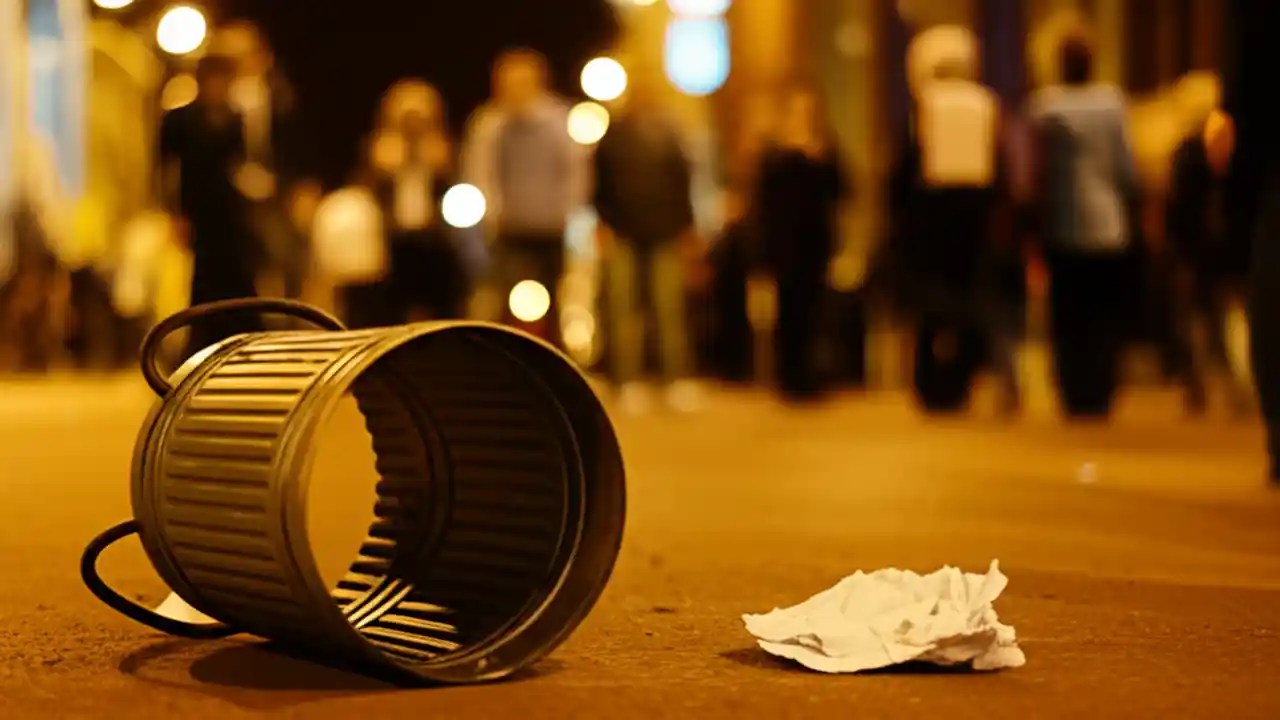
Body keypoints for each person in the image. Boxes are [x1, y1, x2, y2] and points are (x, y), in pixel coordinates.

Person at [1029, 33, 1139, 419]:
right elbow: (1127, 167)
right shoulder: (1112, 104)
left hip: (1063, 224)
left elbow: (1036, 172)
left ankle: (1075, 392)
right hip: (1109, 224)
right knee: (1104, 314)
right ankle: (1101, 390)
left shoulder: (1045, 106)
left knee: (1067, 314)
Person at [890, 53, 1004, 413]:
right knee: (969, 303)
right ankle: (961, 380)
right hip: (975, 219)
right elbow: (999, 167)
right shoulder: (985, 106)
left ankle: (931, 385)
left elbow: (903, 173)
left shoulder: (925, 109)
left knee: (930, 310)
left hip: (929, 221)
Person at [593, 70, 700, 413]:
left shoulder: (670, 136)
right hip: (623, 231)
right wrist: (604, 225)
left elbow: (683, 183)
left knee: (669, 309)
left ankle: (676, 378)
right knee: (623, 309)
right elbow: (599, 184)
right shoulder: (615, 135)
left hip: (664, 231)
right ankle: (627, 380)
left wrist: (686, 227)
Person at [472, 49, 585, 347]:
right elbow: (481, 173)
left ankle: (556, 358)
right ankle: (512, 357)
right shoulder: (490, 124)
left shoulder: (558, 120)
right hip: (510, 227)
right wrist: (492, 214)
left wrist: (567, 212)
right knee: (507, 296)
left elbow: (575, 170)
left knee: (554, 294)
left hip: (550, 225)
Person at [158, 53, 260, 358]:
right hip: (198, 210)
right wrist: (174, 213)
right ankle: (200, 343)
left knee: (236, 274)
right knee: (203, 278)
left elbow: (238, 166)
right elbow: (166, 170)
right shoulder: (179, 120)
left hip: (230, 212)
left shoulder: (234, 118)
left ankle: (242, 339)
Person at [756, 84, 849, 402]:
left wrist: (819, 159)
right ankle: (788, 378)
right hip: (784, 245)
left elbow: (843, 191)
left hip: (816, 243)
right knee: (788, 312)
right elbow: (764, 201)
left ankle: (814, 376)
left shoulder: (826, 148)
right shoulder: (774, 152)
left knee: (815, 311)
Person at [1166, 107, 1254, 416]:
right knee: (1229, 316)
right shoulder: (1241, 153)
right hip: (1230, 249)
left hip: (1202, 251)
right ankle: (1235, 383)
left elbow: (1177, 208)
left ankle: (1208, 382)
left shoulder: (1187, 157)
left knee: (1202, 318)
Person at [216, 21, 311, 303]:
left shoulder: (281, 97)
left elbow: (299, 145)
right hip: (228, 202)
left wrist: (302, 189)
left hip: (275, 197)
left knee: (283, 258)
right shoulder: (211, 104)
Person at [369, 80, 466, 323]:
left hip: (435, 242)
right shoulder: (380, 153)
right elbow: (368, 197)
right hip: (391, 243)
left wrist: (440, 166)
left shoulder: (445, 153)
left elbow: (459, 195)